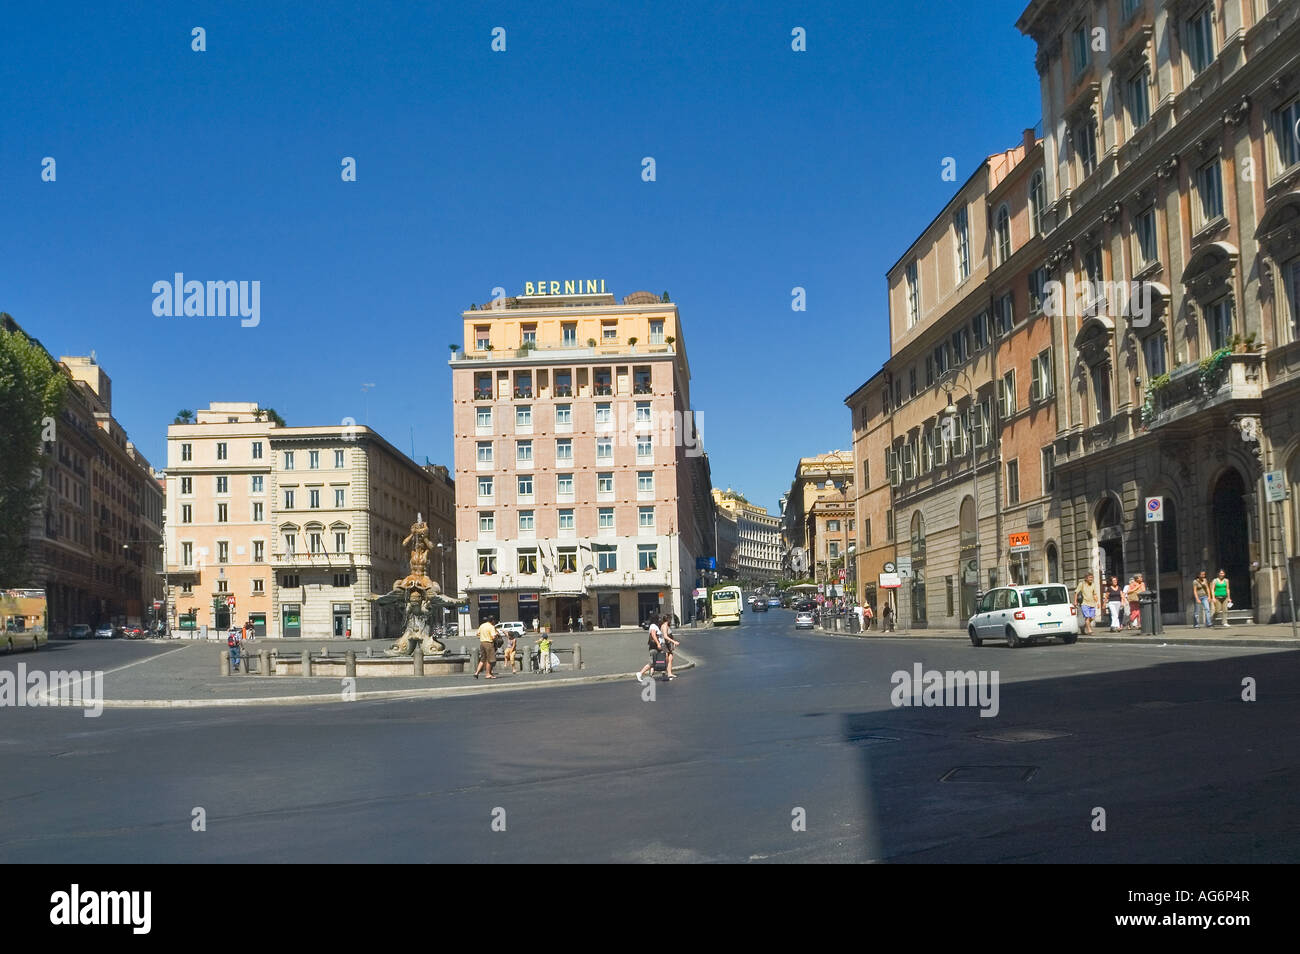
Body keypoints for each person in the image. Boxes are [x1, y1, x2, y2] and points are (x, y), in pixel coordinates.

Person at [636, 615, 665, 683]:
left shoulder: (656, 626)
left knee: (656, 662)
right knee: (652, 662)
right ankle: (640, 673)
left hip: (657, 647)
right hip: (655, 647)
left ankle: (651, 676)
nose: (659, 620)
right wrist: (658, 643)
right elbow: (653, 635)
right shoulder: (653, 626)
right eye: (658, 618)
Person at [473, 615, 498, 679]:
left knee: (482, 659)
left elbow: (477, 634)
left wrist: (483, 636)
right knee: (490, 660)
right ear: (492, 620)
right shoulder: (491, 627)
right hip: (489, 643)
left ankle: (476, 673)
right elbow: (493, 637)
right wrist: (496, 635)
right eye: (494, 620)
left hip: (482, 643)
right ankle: (488, 674)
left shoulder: (482, 625)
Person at [660, 614, 680, 680]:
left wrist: (672, 642)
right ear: (668, 619)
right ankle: (663, 673)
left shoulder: (667, 626)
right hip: (664, 644)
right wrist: (674, 642)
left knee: (670, 658)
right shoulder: (664, 626)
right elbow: (665, 636)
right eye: (670, 619)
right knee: (666, 659)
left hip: (668, 644)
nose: (671, 620)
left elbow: (670, 635)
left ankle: (669, 673)